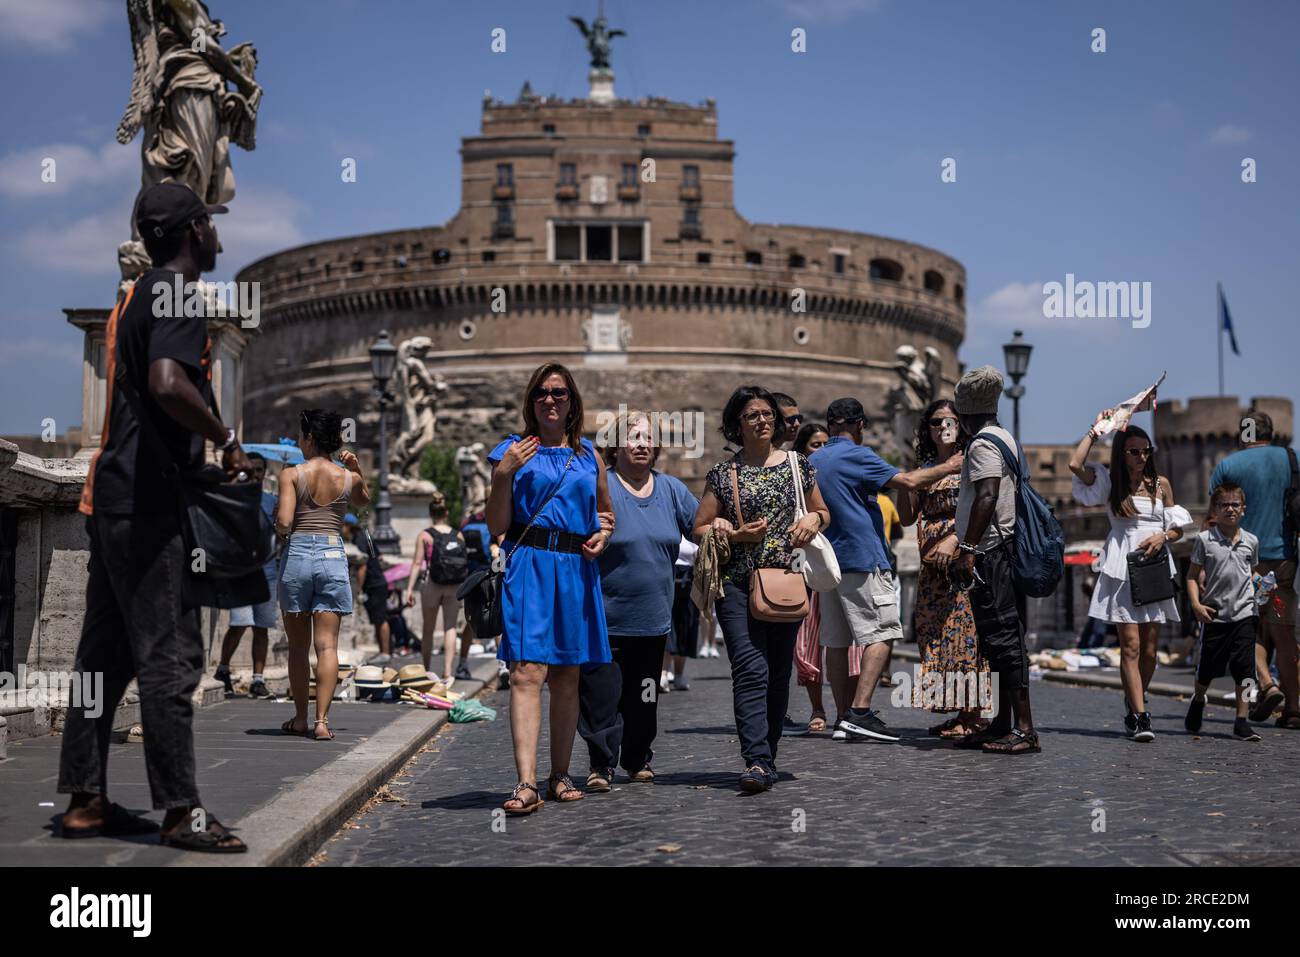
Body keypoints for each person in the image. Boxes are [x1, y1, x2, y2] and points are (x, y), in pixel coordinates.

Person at [59, 182, 251, 851]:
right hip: (147, 508)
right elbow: (170, 382)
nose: (220, 235)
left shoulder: (136, 296)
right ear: (193, 230)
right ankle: (180, 811)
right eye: (212, 223)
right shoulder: (175, 294)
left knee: (102, 661)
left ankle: (84, 799)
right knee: (173, 659)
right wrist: (226, 438)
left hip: (110, 498)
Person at [486, 362, 613, 814]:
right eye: (541, 393)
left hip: (575, 569)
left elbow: (604, 513)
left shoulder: (589, 456)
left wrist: (603, 533)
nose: (550, 399)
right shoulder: (511, 452)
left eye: (559, 393)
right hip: (530, 565)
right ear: (531, 401)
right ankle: (527, 782)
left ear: (572, 401)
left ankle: (560, 774)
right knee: (526, 672)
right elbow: (498, 525)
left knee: (567, 675)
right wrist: (504, 474)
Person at [692, 386, 830, 792]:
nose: (763, 420)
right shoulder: (724, 473)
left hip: (786, 582)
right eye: (753, 415)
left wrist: (812, 523)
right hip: (737, 584)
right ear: (738, 423)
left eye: (768, 414)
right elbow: (699, 527)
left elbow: (822, 511)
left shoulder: (797, 465)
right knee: (750, 670)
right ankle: (756, 759)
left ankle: (766, 754)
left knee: (777, 674)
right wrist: (734, 536)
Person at [809, 398, 962, 743]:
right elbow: (907, 481)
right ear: (860, 425)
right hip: (862, 559)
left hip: (827, 563)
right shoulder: (857, 455)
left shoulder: (812, 460)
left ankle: (843, 717)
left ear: (830, 425)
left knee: (836, 642)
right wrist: (950, 466)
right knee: (883, 633)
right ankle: (861, 712)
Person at [579, 409, 698, 790]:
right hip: (604, 619)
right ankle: (601, 763)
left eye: (648, 438)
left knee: (645, 697)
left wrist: (726, 524)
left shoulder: (671, 490)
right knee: (602, 696)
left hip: (653, 620)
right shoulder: (602, 487)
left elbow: (700, 527)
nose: (642, 444)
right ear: (614, 447)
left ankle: (637, 757)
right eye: (633, 437)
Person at [1069, 415, 1191, 742]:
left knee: (1151, 650)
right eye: (1134, 452)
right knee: (1132, 646)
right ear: (1121, 453)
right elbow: (1075, 463)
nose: (1141, 457)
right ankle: (1139, 715)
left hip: (1154, 566)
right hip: (1122, 565)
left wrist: (1163, 536)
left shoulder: (1160, 484)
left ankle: (1133, 696)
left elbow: (1179, 527)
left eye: (1145, 451)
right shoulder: (1110, 483)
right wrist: (1095, 431)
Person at [950, 366, 1040, 754]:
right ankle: (1003, 723)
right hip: (999, 551)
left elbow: (987, 496)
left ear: (967, 414)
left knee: (1004, 638)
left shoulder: (983, 444)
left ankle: (1024, 728)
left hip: (991, 554)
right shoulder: (1006, 438)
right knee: (997, 639)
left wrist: (967, 550)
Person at [276, 410, 370, 741]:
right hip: (332, 555)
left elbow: (286, 522)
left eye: (302, 436)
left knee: (299, 647)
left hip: (299, 556)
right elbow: (364, 502)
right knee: (327, 645)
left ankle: (300, 718)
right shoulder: (348, 477)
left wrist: (277, 525)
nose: (300, 442)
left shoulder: (291, 473)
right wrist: (356, 469)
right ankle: (322, 721)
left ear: (310, 438)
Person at [897, 399, 989, 738]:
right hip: (931, 567)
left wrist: (954, 542)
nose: (942, 427)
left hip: (962, 560)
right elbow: (908, 517)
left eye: (950, 421)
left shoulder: (972, 461)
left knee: (965, 637)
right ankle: (959, 710)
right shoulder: (926, 466)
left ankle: (973, 714)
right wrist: (911, 480)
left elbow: (983, 506)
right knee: (933, 634)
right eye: (936, 422)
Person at [1210, 410, 1299, 728]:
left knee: (1250, 630)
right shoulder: (1292, 458)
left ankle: (1267, 683)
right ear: (1272, 433)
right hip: (1285, 558)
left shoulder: (1228, 465)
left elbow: (1215, 515)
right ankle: (1293, 708)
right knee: (1283, 631)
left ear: (1244, 433)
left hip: (1245, 562)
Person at [1184, 483, 1263, 741]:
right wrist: (1196, 605)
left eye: (1234, 505)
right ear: (1215, 510)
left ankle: (1242, 720)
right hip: (1215, 613)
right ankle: (1198, 699)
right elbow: (1192, 576)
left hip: (1245, 613)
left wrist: (1262, 584)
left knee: (1246, 670)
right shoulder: (1204, 540)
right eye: (1224, 505)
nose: (1230, 509)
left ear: (1243, 509)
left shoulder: (1251, 541)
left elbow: (1252, 572)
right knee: (1207, 669)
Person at [214, 452, 278, 698]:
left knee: (262, 627)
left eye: (259, 469)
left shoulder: (272, 501)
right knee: (239, 623)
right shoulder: (232, 499)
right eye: (251, 469)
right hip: (240, 573)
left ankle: (258, 680)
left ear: (264, 473)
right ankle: (223, 668)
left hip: (268, 572)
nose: (255, 474)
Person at [791, 422, 831, 731]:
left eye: (825, 444)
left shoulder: (834, 474)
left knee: (847, 642)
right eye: (814, 445)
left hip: (833, 563)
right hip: (801, 563)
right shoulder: (793, 477)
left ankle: (849, 708)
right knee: (806, 642)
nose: (820, 451)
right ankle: (817, 708)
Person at [404, 492, 469, 685]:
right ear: (447, 512)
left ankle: (426, 670)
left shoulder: (425, 535)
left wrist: (409, 589)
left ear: (431, 513)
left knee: (428, 629)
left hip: (432, 583)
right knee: (450, 627)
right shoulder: (458, 534)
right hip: (454, 584)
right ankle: (448, 673)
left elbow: (417, 563)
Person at [344, 513, 394, 663]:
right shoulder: (367, 536)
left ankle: (385, 652)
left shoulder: (359, 540)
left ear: (348, 526)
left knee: (381, 619)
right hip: (379, 582)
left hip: (373, 584)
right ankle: (383, 651)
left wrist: (359, 589)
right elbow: (378, 557)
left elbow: (362, 566)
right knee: (379, 619)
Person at [664, 537, 700, 691]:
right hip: (667, 579)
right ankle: (663, 673)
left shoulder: (691, 529)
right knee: (666, 627)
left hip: (689, 581)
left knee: (686, 626)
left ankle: (679, 674)